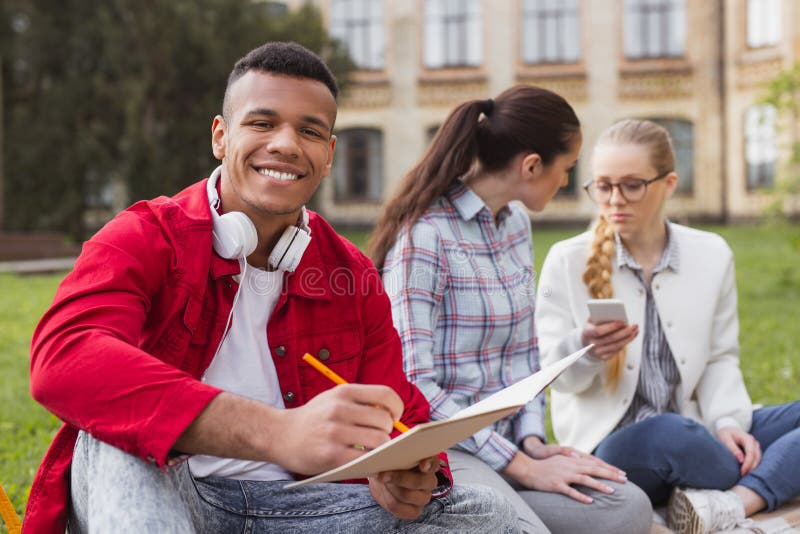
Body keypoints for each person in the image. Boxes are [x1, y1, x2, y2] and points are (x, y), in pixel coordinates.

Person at [25, 42, 518, 533]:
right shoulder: (146, 235)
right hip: (171, 493)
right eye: (262, 123)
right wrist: (279, 433)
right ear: (221, 137)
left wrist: (408, 474)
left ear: (329, 155)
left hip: (298, 509)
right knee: (118, 435)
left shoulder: (352, 273)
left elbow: (400, 409)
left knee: (483, 512)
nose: (286, 144)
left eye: (309, 131)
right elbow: (65, 356)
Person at [369, 87, 653, 534]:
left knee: (627, 506)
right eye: (566, 168)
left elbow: (524, 355)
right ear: (532, 166)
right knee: (513, 525)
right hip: (448, 451)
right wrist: (520, 466)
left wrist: (532, 442)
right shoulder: (424, 236)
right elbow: (415, 388)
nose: (566, 180)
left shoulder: (515, 225)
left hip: (510, 448)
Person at [535, 118, 800, 534]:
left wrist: (729, 423)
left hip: (700, 430)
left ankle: (737, 501)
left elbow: (719, 358)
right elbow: (553, 378)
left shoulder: (712, 253)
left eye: (632, 185)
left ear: (669, 183)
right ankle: (771, 472)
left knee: (691, 431)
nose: (615, 200)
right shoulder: (566, 260)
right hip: (614, 447)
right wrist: (586, 350)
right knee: (669, 433)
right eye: (603, 186)